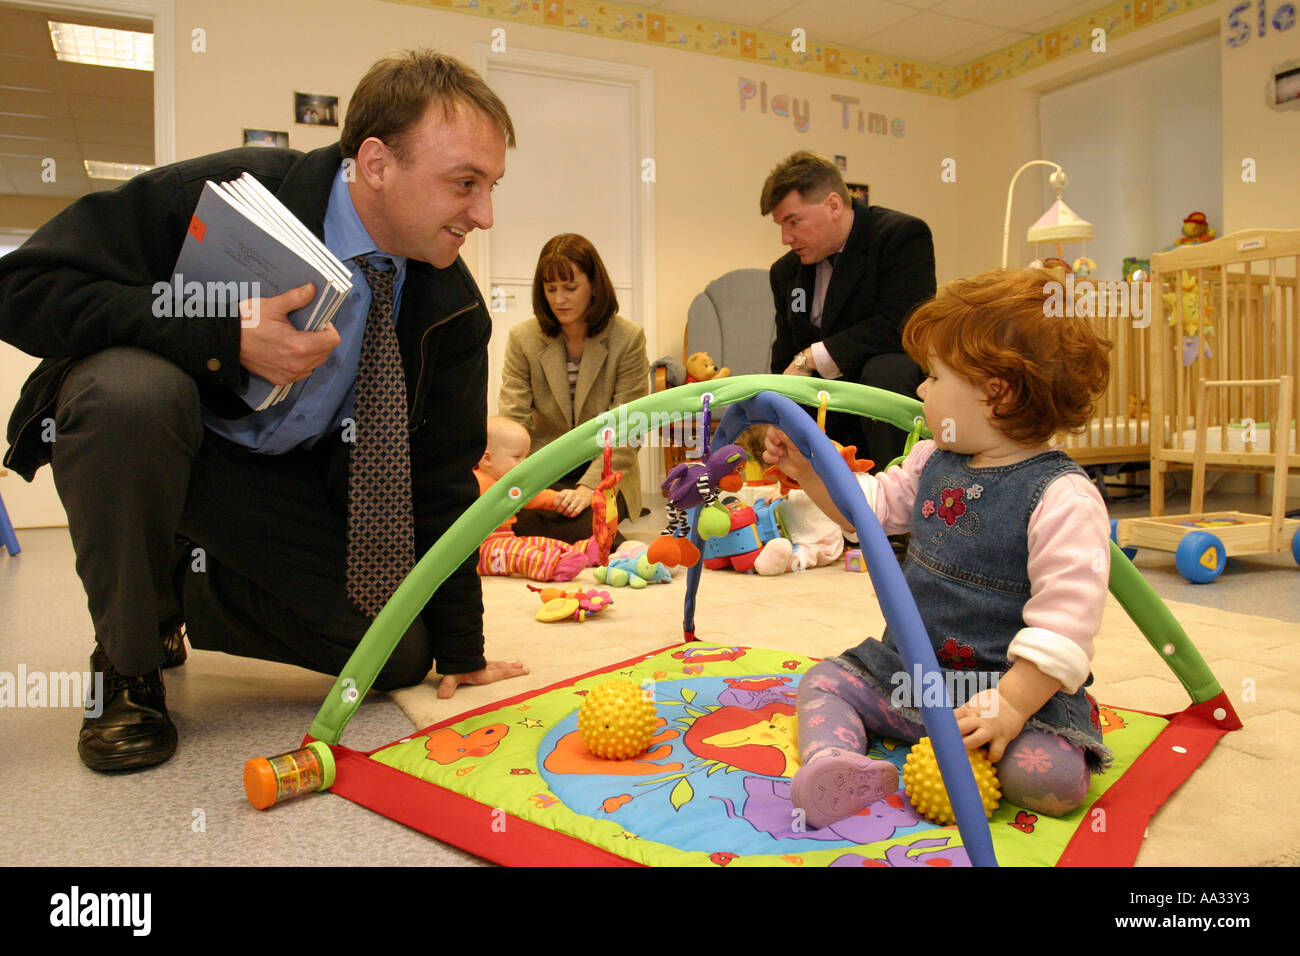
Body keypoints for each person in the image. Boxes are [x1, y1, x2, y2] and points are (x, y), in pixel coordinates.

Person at [0, 49, 527, 771]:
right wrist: (219, 335)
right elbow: (23, 288)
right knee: (130, 393)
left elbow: (440, 482)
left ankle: (177, 584)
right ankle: (127, 665)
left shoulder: (452, 307)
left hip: (274, 485)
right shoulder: (223, 193)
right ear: (376, 163)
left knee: (397, 656)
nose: (485, 215)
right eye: (465, 184)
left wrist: (462, 648)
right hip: (156, 436)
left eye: (491, 186)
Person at [761, 268, 1113, 829]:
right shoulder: (930, 460)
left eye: (934, 376)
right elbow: (866, 512)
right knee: (824, 683)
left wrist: (1012, 706)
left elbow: (1065, 628)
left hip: (1010, 687)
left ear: (995, 392)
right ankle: (838, 762)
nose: (920, 389)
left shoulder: (1064, 498)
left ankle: (989, 740)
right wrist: (807, 468)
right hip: (910, 671)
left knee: (1050, 781)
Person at [762, 151, 936, 470]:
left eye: (793, 222)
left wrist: (811, 357)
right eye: (781, 226)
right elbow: (785, 358)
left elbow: (901, 324)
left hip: (883, 396)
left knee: (886, 371)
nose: (786, 238)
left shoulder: (901, 236)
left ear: (833, 205)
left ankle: (896, 499)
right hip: (825, 408)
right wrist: (777, 414)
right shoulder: (785, 272)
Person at [498, 234, 649, 544]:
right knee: (511, 520)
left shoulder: (628, 338)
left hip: (605, 469)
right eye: (550, 289)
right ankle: (592, 534)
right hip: (544, 470)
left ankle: (592, 528)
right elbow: (514, 420)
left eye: (570, 288)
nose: (559, 300)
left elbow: (628, 428)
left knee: (585, 516)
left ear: (594, 286)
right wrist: (524, 484)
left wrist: (588, 488)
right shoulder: (522, 338)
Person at [473, 416, 609, 582]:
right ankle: (550, 566)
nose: (524, 464)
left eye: (526, 457)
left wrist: (557, 499)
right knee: (518, 554)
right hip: (481, 550)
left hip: (507, 537)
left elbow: (532, 495)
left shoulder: (509, 484)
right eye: (517, 457)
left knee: (537, 543)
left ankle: (583, 551)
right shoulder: (474, 483)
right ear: (487, 458)